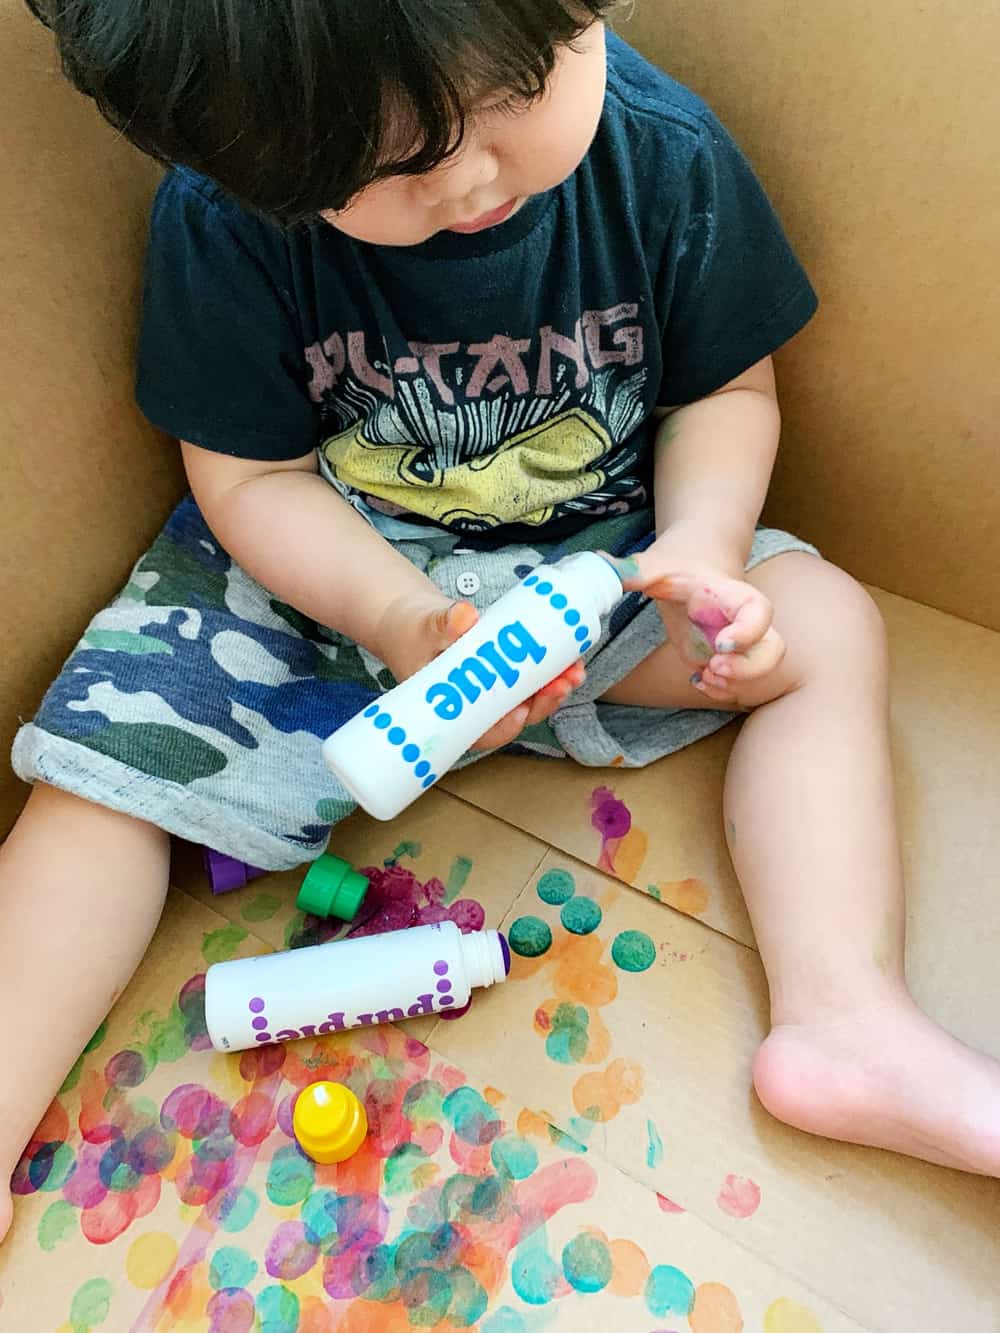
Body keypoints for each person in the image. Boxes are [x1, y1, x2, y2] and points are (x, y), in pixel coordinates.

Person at [4, 0, 999, 1242]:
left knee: (825, 625)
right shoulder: (230, 217)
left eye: (514, 95)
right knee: (99, 775)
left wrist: (700, 548)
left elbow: (726, 392)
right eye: (390, 165)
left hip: (598, 574)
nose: (473, 176)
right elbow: (250, 479)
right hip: (329, 584)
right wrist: (399, 612)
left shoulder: (662, 157)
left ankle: (846, 1015)